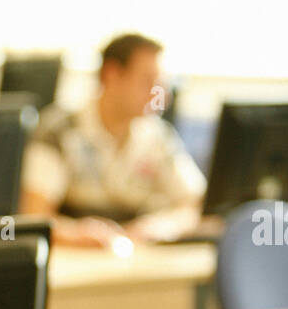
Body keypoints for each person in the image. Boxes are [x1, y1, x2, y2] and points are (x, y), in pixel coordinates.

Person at [19, 33, 207, 247]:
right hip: (76, 255)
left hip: (136, 254)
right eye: (148, 81)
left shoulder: (157, 136)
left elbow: (195, 204)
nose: (161, 96)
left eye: (162, 84)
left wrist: (159, 227)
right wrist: (76, 234)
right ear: (112, 74)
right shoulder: (57, 131)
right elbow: (34, 216)